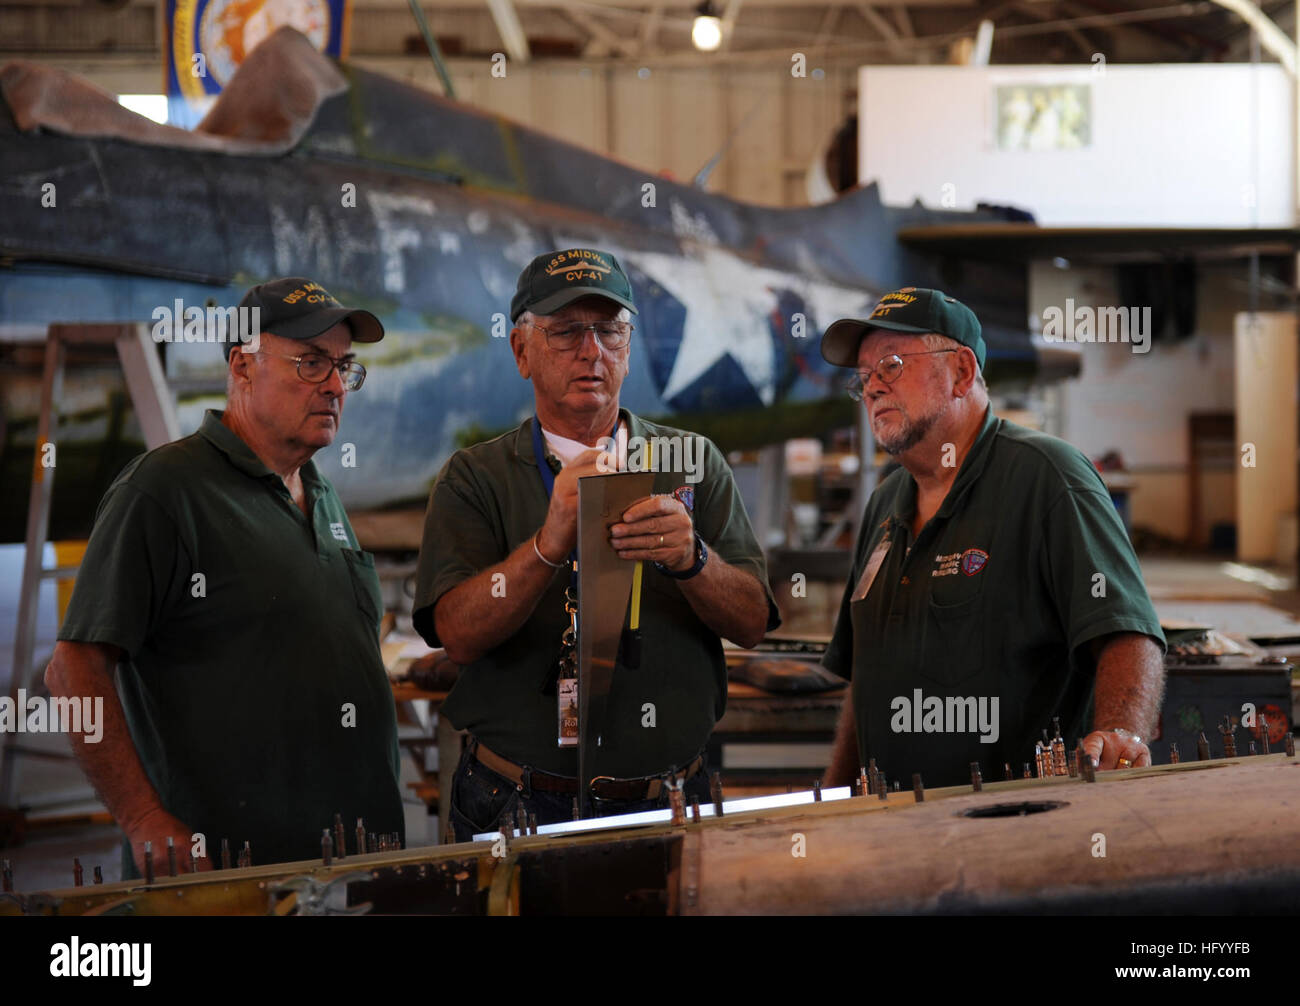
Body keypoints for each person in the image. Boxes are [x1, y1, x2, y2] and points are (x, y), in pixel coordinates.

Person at [413, 247, 779, 840]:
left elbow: (754, 622)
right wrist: (547, 544)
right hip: (516, 801)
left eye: (610, 330)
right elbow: (455, 633)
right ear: (520, 351)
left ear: (629, 350)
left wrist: (695, 560)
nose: (592, 351)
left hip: (672, 799)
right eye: (565, 332)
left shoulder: (691, 463)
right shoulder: (475, 477)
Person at [45, 277, 406, 876]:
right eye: (312, 364)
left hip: (355, 862)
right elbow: (72, 669)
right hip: (231, 874)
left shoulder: (318, 491)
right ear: (243, 364)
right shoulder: (162, 491)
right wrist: (142, 820)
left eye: (345, 367)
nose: (338, 386)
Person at [819, 287, 1165, 790]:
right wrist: (836, 793)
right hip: (891, 828)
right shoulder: (883, 504)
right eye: (864, 377)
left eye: (891, 365)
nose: (871, 388)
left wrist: (1119, 735)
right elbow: (865, 680)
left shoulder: (1048, 478)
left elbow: (1125, 631)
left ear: (960, 372)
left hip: (1016, 823)